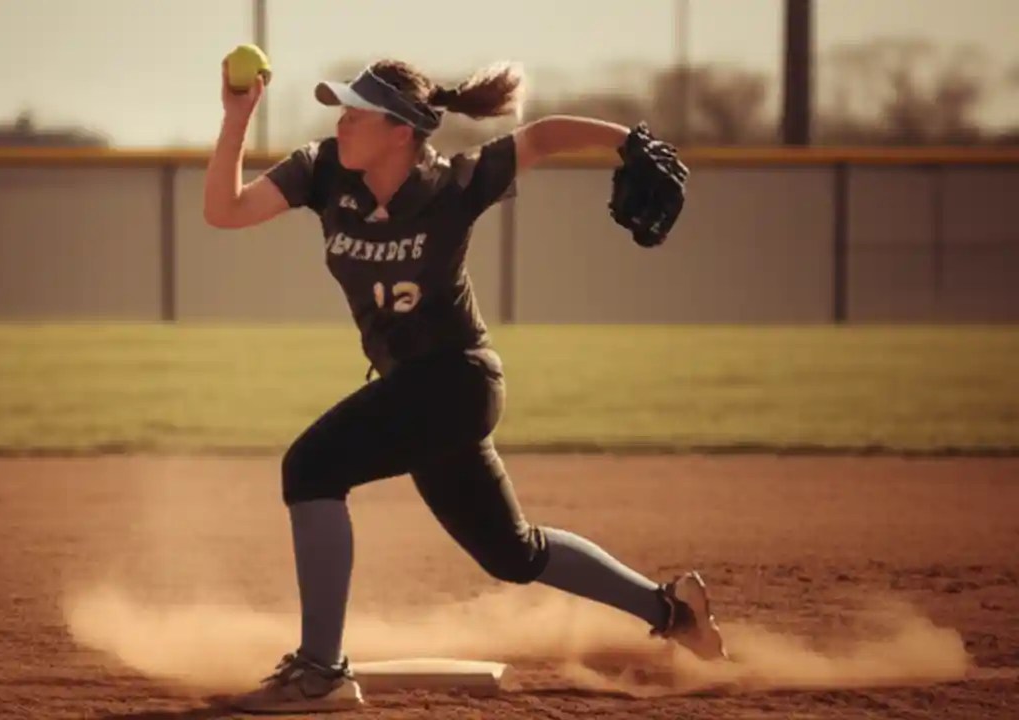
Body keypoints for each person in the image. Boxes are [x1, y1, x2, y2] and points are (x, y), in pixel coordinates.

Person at [202, 58, 724, 714]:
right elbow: (225, 210)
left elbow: (543, 135)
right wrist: (236, 119)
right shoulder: (322, 172)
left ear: (403, 131)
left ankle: (320, 670)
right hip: (422, 395)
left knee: (312, 467)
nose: (342, 121)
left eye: (357, 112)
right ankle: (673, 610)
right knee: (512, 552)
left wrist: (624, 141)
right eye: (342, 109)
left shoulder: (454, 182)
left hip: (456, 380)